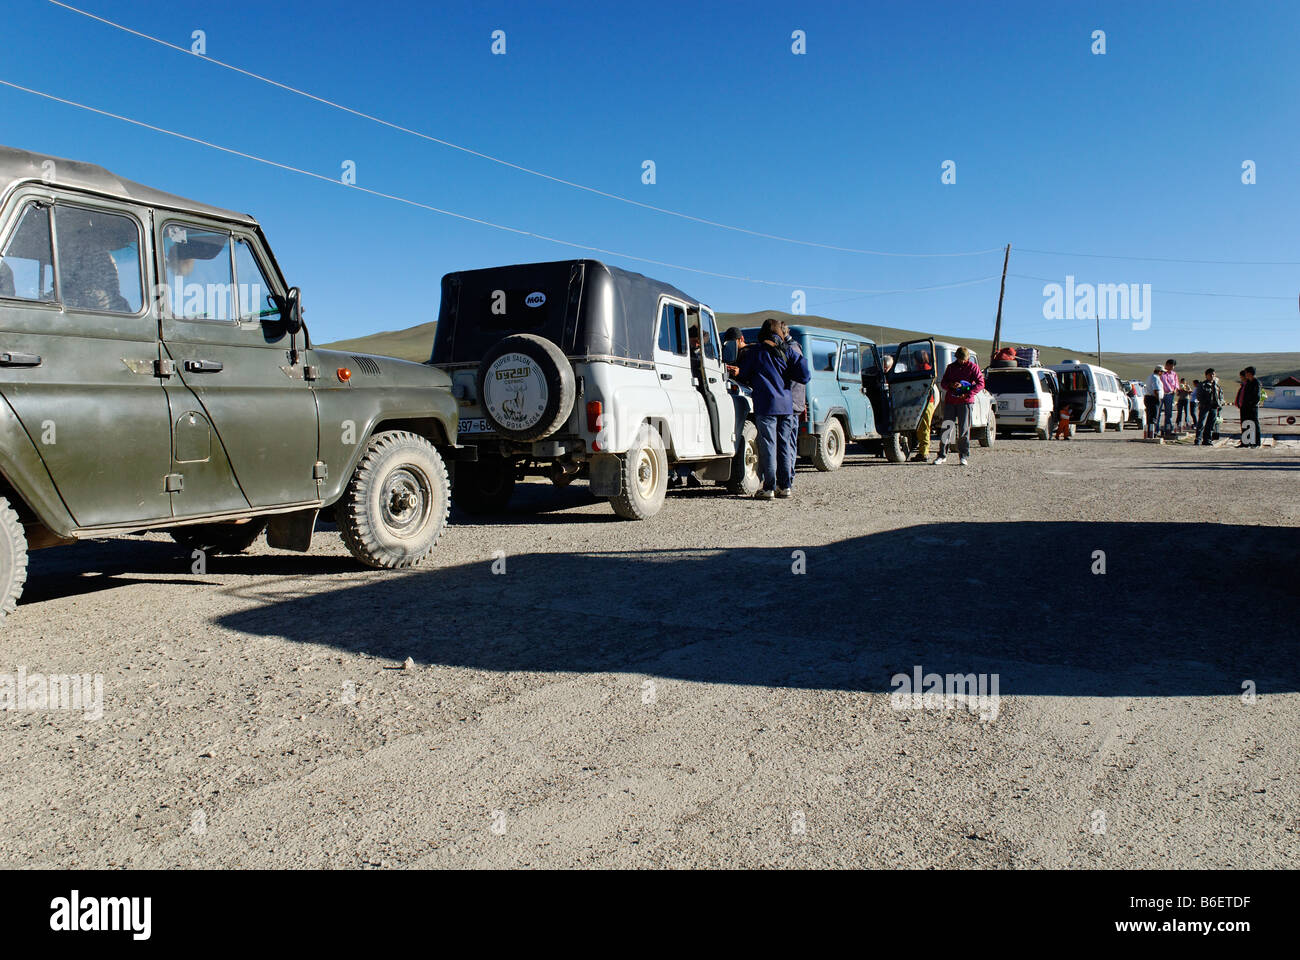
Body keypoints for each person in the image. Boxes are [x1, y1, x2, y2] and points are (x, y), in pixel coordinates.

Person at [736, 317, 810, 499]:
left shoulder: (755, 352)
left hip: (766, 405)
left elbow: (744, 374)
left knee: (769, 446)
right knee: (785, 446)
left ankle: (769, 487)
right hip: (786, 406)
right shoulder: (786, 351)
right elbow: (805, 375)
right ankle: (785, 487)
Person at [934, 346, 985, 466]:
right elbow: (943, 383)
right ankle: (942, 455)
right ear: (956, 357)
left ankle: (963, 456)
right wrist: (951, 385)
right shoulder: (951, 368)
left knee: (964, 430)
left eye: (963, 359)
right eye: (959, 359)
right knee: (947, 428)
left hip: (966, 403)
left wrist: (969, 393)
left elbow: (980, 383)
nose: (961, 361)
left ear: (967, 358)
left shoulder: (973, 367)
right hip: (951, 402)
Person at [911, 380, 940, 462]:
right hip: (919, 400)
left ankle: (924, 452)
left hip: (925, 401)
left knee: (923, 427)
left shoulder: (925, 368)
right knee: (921, 428)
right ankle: (922, 451)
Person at [1194, 369, 1224, 446]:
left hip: (1214, 406)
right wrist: (1205, 402)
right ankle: (1198, 439)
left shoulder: (1217, 386)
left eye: (1213, 374)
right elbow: (1199, 395)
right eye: (1210, 374)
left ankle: (1207, 440)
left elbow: (1220, 396)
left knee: (1210, 424)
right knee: (1201, 423)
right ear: (1206, 375)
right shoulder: (1202, 385)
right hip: (1205, 406)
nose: (1212, 376)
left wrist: (1220, 404)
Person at [1236, 366, 1262, 448]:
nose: (1245, 374)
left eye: (1246, 373)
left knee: (1254, 424)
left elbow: (1257, 396)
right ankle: (1245, 442)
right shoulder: (1248, 383)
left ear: (1250, 373)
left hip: (1252, 407)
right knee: (1245, 424)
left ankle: (1256, 442)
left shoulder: (1256, 383)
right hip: (1244, 407)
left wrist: (1251, 404)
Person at [1158, 359, 1179, 435]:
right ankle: (1156, 430)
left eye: (1173, 366)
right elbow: (1161, 382)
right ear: (1167, 365)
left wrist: (1175, 389)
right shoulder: (1161, 372)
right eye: (1171, 365)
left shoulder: (1174, 374)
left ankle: (1168, 429)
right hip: (1161, 394)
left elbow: (1176, 384)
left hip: (1170, 394)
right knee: (1158, 412)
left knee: (1168, 413)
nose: (1172, 367)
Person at [1143, 367, 1164, 439]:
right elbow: (1156, 390)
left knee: (1149, 416)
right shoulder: (1155, 378)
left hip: (1148, 398)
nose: (1163, 374)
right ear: (1159, 372)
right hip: (1153, 398)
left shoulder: (1150, 376)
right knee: (1154, 417)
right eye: (1162, 372)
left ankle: (1149, 433)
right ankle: (1152, 434)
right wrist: (1158, 400)